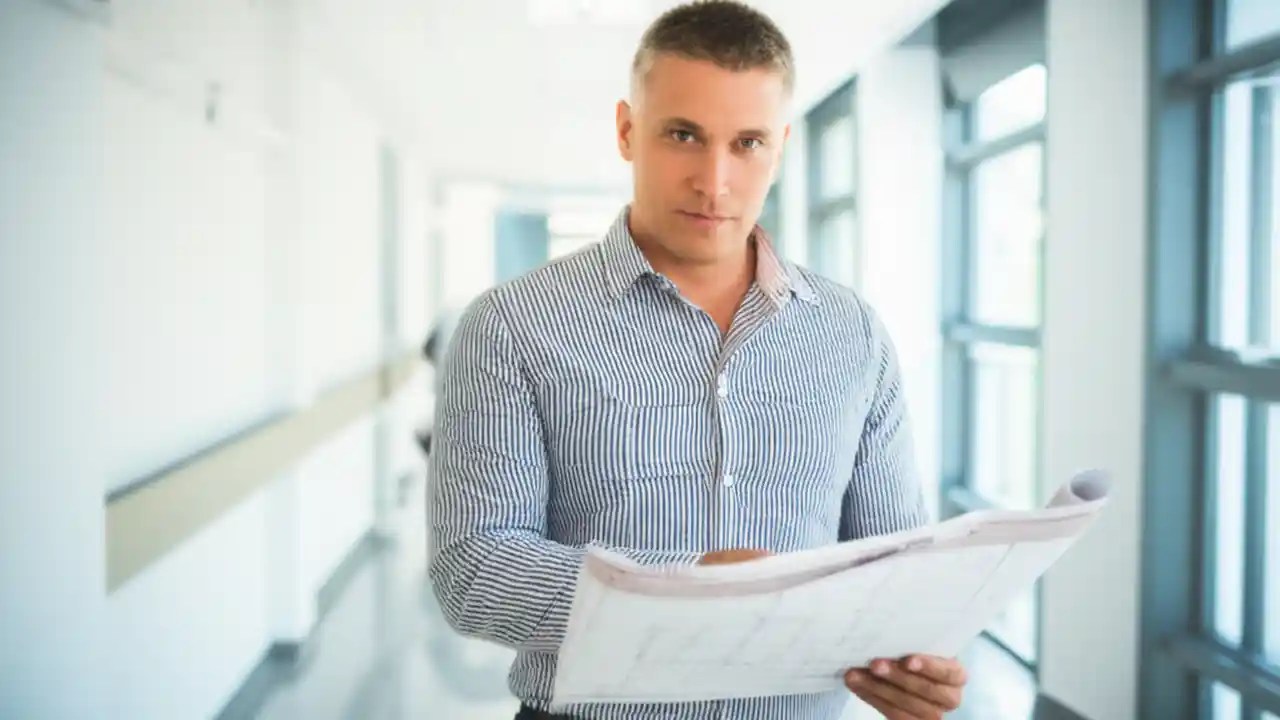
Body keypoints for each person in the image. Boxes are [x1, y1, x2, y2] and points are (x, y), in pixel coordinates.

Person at [427, 2, 968, 718]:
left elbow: (893, 567)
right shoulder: (513, 326)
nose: (714, 182)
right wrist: (691, 592)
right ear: (627, 130)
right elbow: (476, 569)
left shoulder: (854, 336)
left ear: (781, 147)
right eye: (684, 135)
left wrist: (915, 662)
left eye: (747, 143)